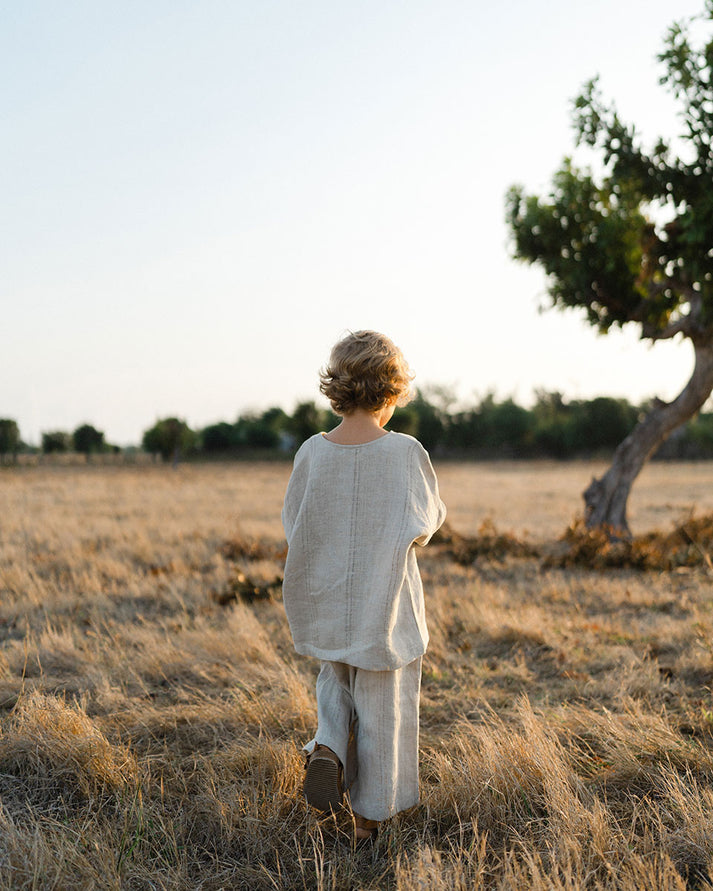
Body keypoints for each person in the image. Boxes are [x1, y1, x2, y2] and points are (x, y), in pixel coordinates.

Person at [281, 330, 446, 842]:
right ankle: (368, 821)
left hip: (329, 598)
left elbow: (295, 521)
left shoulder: (312, 451)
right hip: (385, 606)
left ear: (337, 389)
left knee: (336, 680)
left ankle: (327, 746)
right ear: (392, 392)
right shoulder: (404, 452)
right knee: (382, 707)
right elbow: (426, 521)